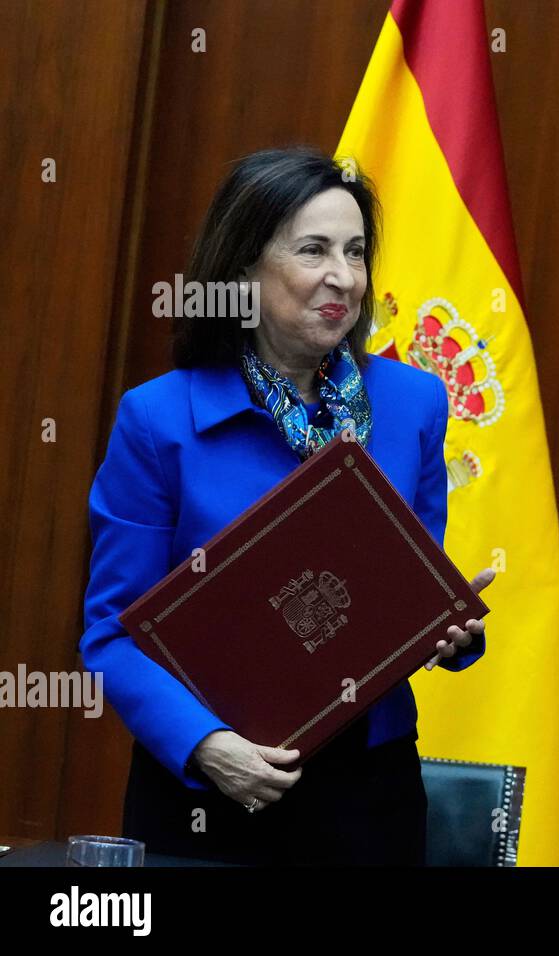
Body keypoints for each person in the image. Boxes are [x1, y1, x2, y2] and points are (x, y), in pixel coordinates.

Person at [80, 146, 492, 865]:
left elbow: (415, 586)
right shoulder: (158, 420)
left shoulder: (414, 403)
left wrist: (449, 629)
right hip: (210, 788)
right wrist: (205, 745)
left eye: (357, 252)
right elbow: (111, 636)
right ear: (243, 269)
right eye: (314, 251)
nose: (344, 277)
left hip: (370, 789)